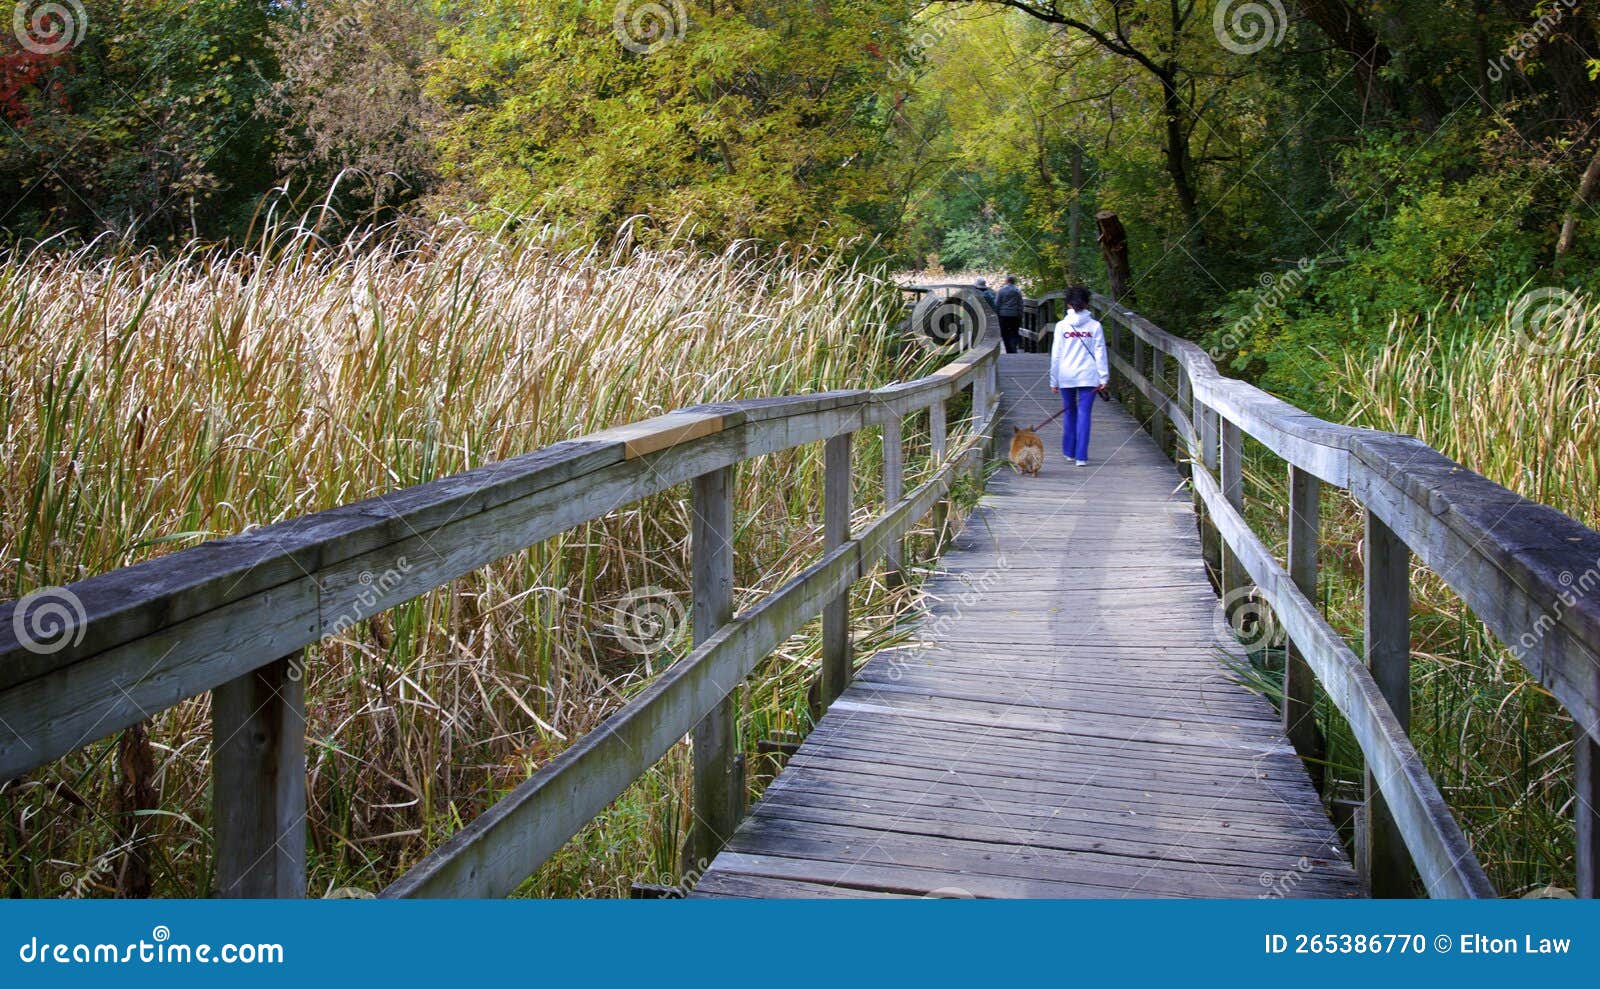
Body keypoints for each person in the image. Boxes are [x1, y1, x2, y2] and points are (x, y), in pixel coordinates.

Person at [1048, 286, 1110, 466]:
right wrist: (1103, 378)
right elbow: (1100, 353)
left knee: (1069, 413)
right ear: (1087, 303)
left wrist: (1054, 380)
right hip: (1089, 376)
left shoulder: (1062, 326)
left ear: (1068, 304)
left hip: (1066, 374)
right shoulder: (1095, 326)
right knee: (1084, 414)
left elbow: (1056, 355)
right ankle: (1081, 456)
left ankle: (1069, 452)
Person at [994, 275, 1025, 353]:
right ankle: (1013, 348)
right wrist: (1020, 315)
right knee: (1014, 332)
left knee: (1004, 333)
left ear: (1007, 281)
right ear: (1014, 282)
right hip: (1014, 315)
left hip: (1003, 315)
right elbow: (1020, 304)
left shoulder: (1001, 290)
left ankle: (1008, 349)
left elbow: (997, 303)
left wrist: (996, 314)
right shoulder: (1017, 291)